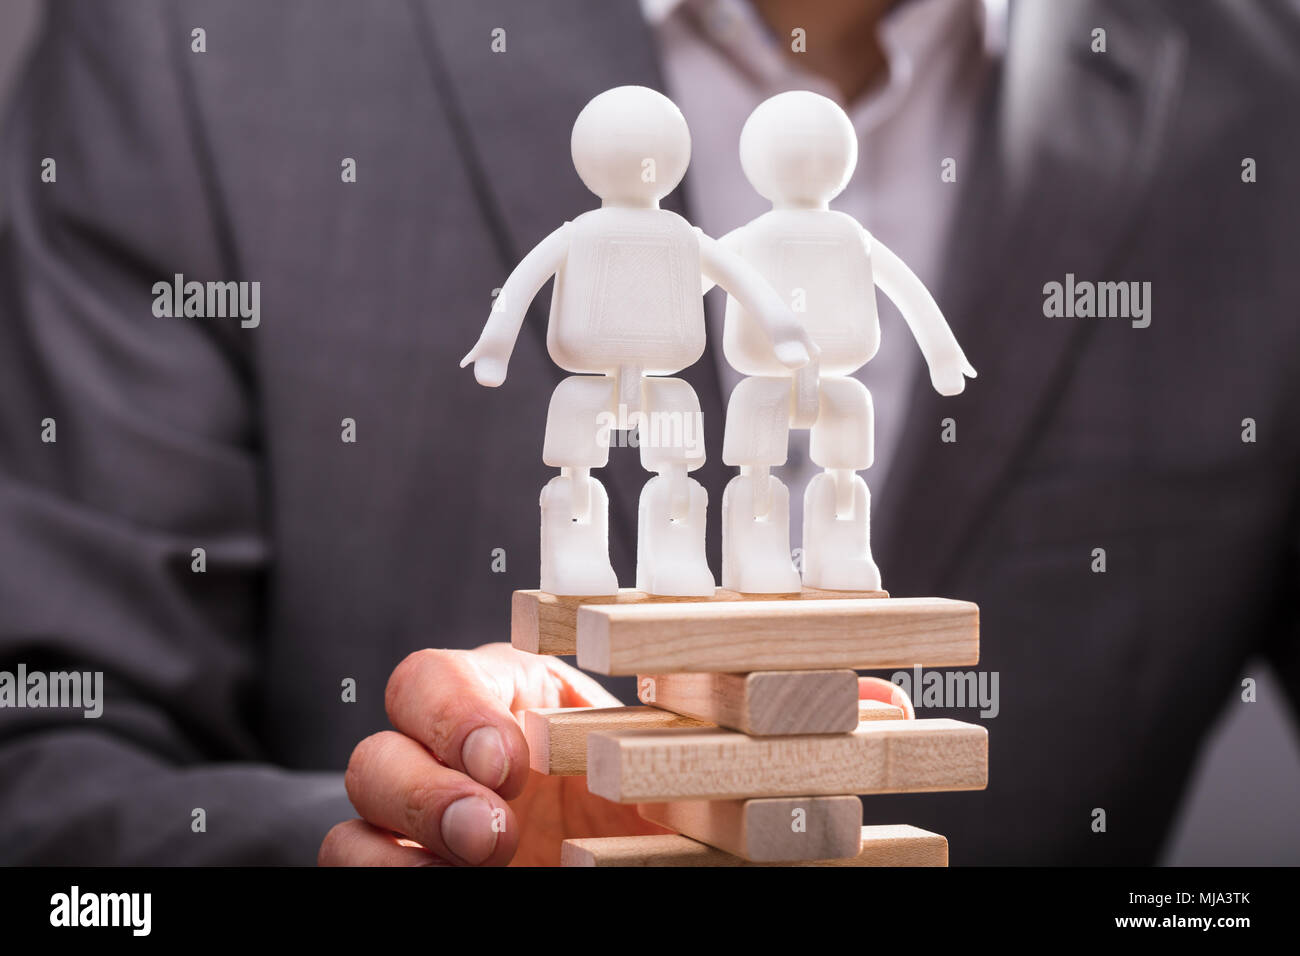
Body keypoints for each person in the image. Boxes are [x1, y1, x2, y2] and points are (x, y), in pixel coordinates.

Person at [0, 0, 1297, 866]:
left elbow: (735, 283)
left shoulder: (1268, 101)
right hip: (603, 399)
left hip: (750, 402)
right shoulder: (196, 42)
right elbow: (41, 757)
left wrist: (860, 343)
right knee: (616, 474)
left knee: (695, 471)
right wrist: (390, 844)